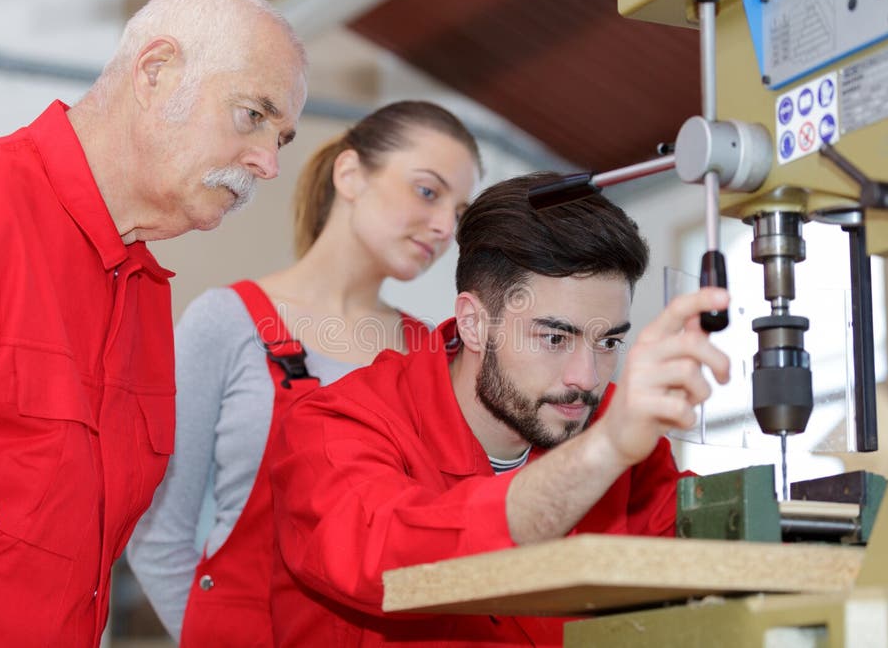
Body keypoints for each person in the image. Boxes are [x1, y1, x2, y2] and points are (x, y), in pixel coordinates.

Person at [0, 0, 306, 646]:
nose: (269, 163)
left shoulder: (144, 293)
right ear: (155, 71)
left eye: (279, 137)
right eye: (253, 115)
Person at [268, 172, 732, 646]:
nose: (587, 378)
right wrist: (604, 450)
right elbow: (391, 559)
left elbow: (696, 550)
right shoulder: (332, 428)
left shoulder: (607, 423)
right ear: (474, 324)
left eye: (608, 340)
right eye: (555, 337)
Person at [126, 100, 482, 645]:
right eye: (428, 191)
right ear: (351, 175)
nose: (443, 227)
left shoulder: (433, 356)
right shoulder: (226, 322)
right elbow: (156, 534)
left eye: (458, 213)